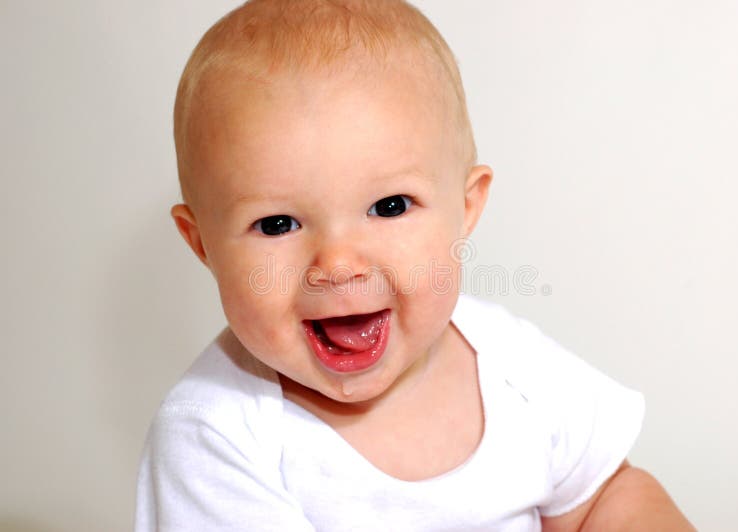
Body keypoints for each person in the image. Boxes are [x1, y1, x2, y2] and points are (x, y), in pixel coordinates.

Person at [136, 0, 694, 529]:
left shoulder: (511, 367)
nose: (337, 264)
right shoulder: (218, 433)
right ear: (202, 243)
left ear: (466, 207)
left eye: (390, 207)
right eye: (278, 223)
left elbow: (604, 498)